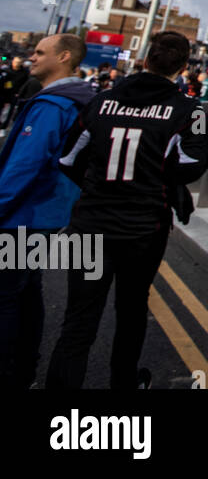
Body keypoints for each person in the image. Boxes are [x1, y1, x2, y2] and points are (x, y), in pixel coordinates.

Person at [46, 31, 208, 390]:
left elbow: (68, 159)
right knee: (132, 309)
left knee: (79, 319)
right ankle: (124, 382)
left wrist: (98, 186)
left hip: (92, 221)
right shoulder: (188, 109)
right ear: (183, 68)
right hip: (143, 226)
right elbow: (191, 163)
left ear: (145, 60)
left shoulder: (102, 101)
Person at [0, 34, 95, 390]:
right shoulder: (79, 100)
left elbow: (24, 166)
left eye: (40, 52)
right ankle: (24, 367)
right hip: (51, 213)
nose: (32, 57)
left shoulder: (52, 105)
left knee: (7, 295)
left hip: (23, 214)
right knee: (26, 290)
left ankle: (8, 372)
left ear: (65, 57)